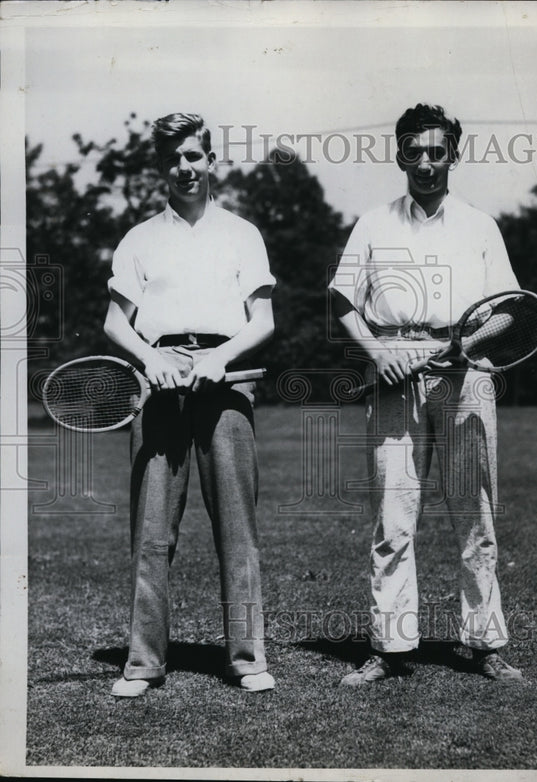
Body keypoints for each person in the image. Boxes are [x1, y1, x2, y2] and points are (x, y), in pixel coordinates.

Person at [329, 103, 524, 685]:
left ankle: (485, 644)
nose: (425, 163)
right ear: (399, 155)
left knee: (475, 515)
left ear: (453, 157)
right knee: (393, 520)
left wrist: (466, 347)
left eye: (436, 152)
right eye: (413, 151)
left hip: (467, 379)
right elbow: (342, 301)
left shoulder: (479, 224)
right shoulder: (372, 223)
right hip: (393, 381)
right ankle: (389, 649)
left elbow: (508, 311)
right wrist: (379, 353)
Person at [104, 113, 276, 696]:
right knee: (152, 533)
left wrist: (219, 357)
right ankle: (143, 662)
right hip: (159, 386)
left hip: (225, 385)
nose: (186, 167)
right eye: (175, 159)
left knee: (237, 527)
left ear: (211, 161)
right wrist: (151, 358)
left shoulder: (242, 234)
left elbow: (263, 322)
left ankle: (247, 658)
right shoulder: (138, 239)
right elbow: (114, 323)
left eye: (195, 156)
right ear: (161, 168)